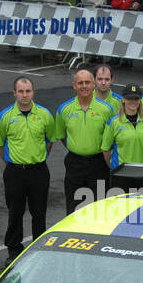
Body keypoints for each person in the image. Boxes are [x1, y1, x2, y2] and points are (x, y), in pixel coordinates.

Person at [0, 76, 59, 262]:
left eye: (28, 91)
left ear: (33, 92)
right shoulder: (4, 116)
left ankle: (38, 248)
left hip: (38, 170)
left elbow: (49, 141)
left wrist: (36, 159)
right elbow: (0, 145)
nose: (25, 95)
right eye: (21, 91)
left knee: (39, 212)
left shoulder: (45, 115)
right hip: (14, 172)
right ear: (14, 93)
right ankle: (13, 250)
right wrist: (13, 162)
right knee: (15, 212)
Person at [56, 69, 115, 212]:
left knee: (100, 208)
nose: (84, 86)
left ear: (93, 84)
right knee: (73, 208)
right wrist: (78, 148)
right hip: (74, 164)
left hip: (99, 164)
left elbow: (111, 138)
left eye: (87, 82)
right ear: (74, 85)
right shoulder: (64, 109)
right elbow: (62, 136)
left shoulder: (107, 109)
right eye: (80, 83)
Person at [102, 85, 143, 183]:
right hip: (121, 175)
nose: (133, 101)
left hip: (142, 174)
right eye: (129, 98)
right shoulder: (113, 122)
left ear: (140, 100)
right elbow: (106, 149)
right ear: (123, 99)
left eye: (136, 98)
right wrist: (115, 168)